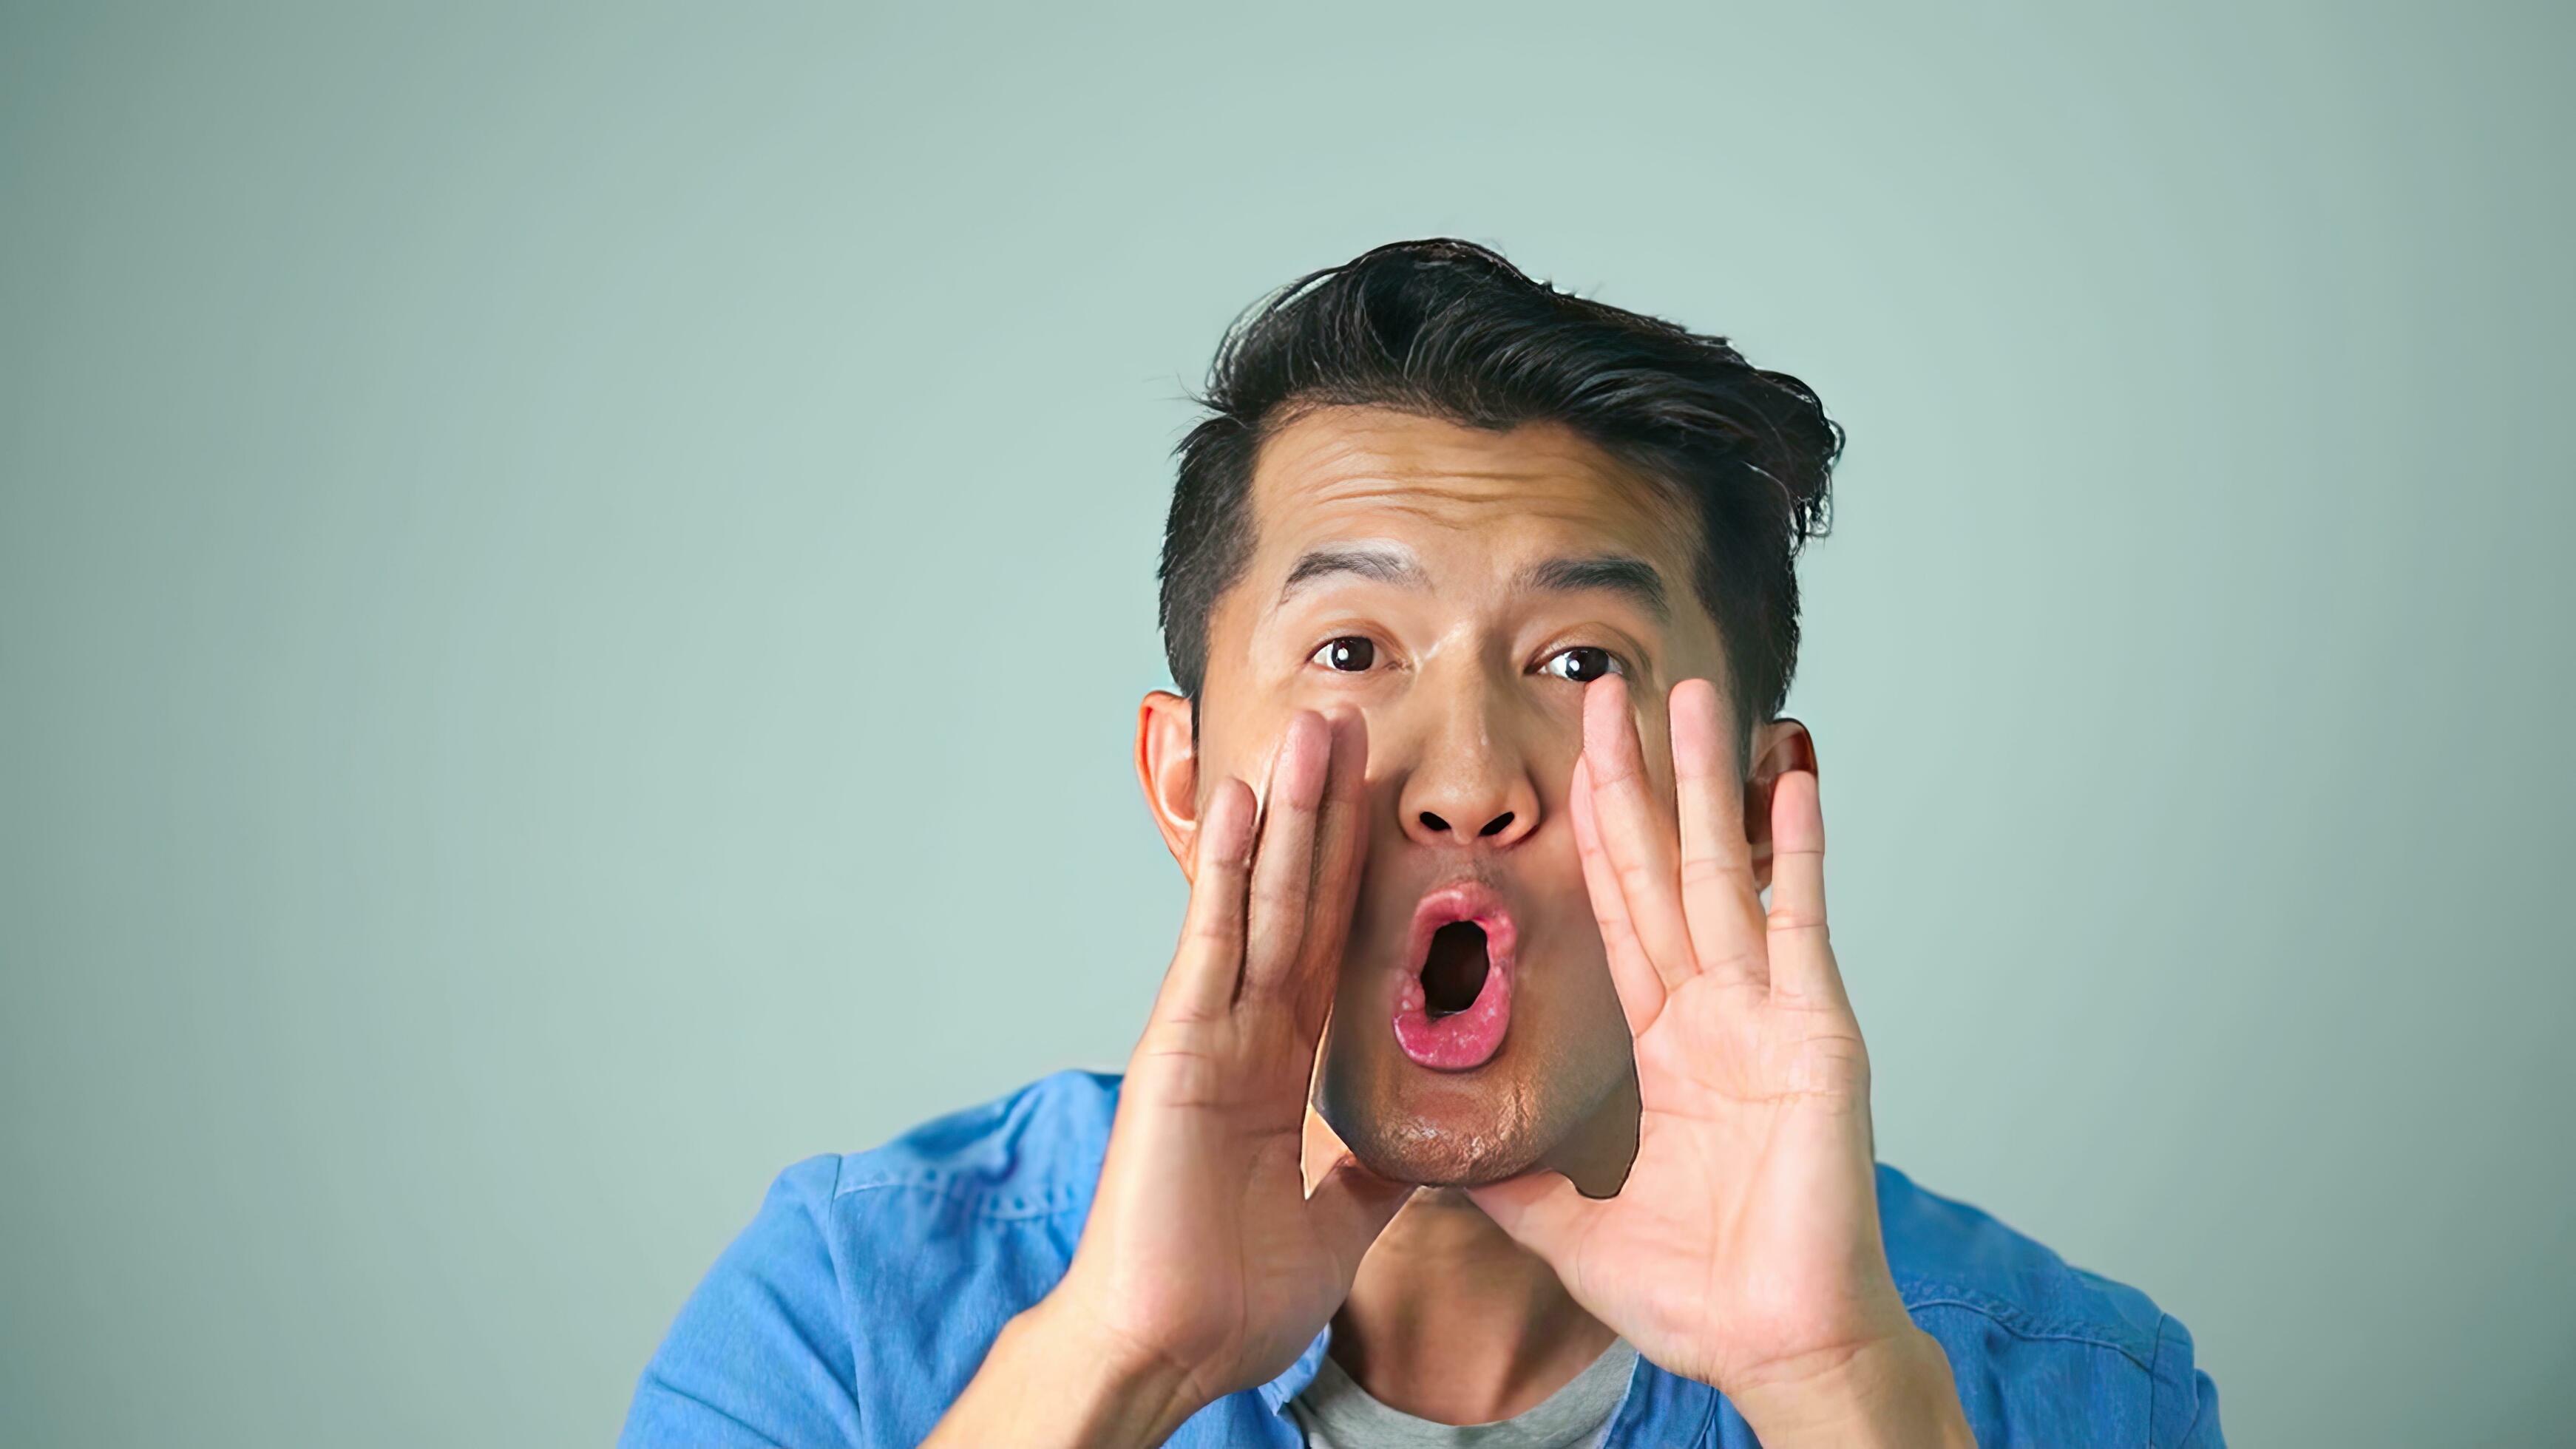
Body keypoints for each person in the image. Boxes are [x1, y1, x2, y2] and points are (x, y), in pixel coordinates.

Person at [617, 239, 2225, 1448]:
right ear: (1182, 785)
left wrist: (1829, 1388)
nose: (1462, 780)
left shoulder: (2071, 1383)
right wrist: (1117, 1355)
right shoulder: (844, 1310)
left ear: (1745, 809)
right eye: (1349, 651)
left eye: (1578, 661)